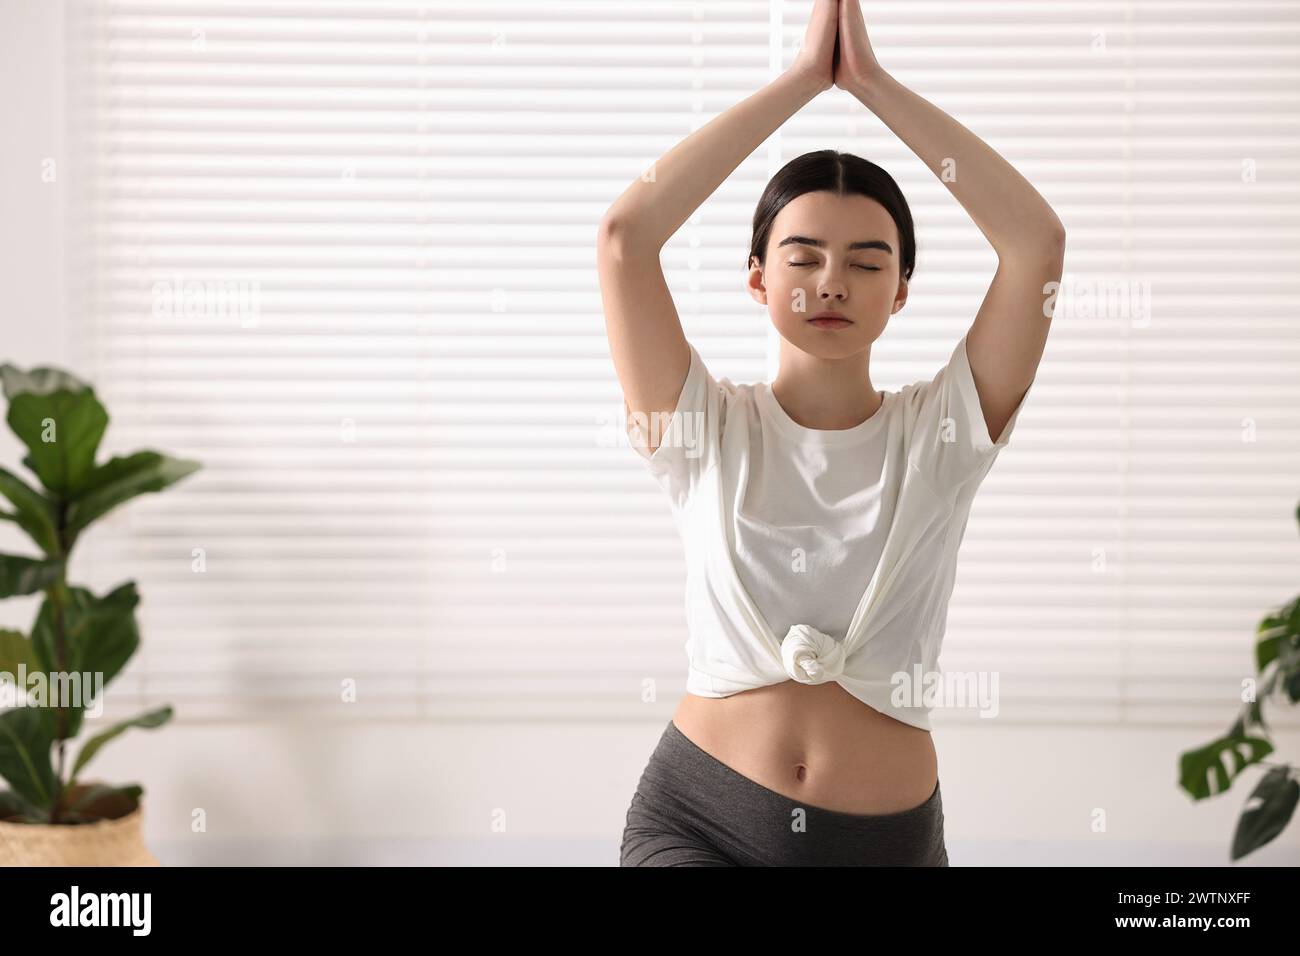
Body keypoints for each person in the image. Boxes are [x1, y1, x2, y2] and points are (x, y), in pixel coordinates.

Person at [598, 0, 1065, 866]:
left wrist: (873, 86)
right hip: (698, 821)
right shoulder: (704, 428)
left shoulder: (943, 437)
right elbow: (627, 240)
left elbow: (1035, 243)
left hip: (887, 843)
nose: (830, 283)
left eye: (866, 261)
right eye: (802, 256)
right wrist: (803, 82)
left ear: (901, 292)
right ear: (757, 278)